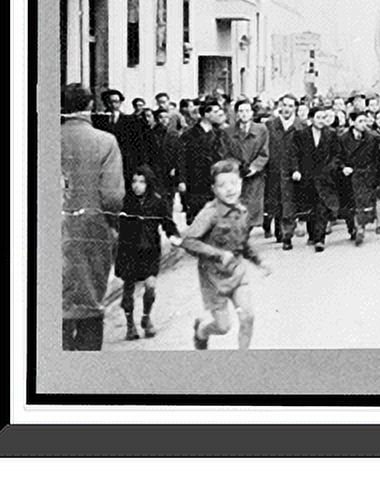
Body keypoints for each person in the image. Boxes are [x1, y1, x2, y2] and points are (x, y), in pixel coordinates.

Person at [61, 84, 125, 350]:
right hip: (91, 230)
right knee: (89, 303)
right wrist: (113, 227)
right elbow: (112, 197)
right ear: (89, 106)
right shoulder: (105, 141)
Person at [183, 159, 270, 351]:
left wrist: (259, 262)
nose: (229, 189)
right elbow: (188, 241)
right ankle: (201, 331)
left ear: (241, 183)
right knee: (223, 327)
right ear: (214, 189)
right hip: (213, 279)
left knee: (248, 316)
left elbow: (242, 243)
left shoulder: (242, 211)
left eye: (234, 183)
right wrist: (217, 253)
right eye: (222, 185)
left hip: (237, 273)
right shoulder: (210, 213)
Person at [116, 165, 181, 341]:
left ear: (148, 183)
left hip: (150, 250)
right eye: (134, 181)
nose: (137, 185)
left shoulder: (158, 202)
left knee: (150, 286)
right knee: (128, 288)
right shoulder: (125, 202)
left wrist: (174, 236)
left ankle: (146, 317)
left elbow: (167, 223)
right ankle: (130, 325)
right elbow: (115, 223)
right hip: (129, 251)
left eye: (142, 182)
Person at [291, 106, 341, 252]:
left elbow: (337, 154)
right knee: (311, 207)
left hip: (325, 177)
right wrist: (295, 170)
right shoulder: (301, 135)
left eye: (324, 118)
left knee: (322, 207)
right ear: (311, 119)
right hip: (307, 177)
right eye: (318, 117)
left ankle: (320, 239)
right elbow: (294, 154)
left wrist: (330, 167)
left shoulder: (331, 134)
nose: (321, 121)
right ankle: (312, 235)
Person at [264, 94, 306, 250]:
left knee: (289, 203)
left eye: (290, 106)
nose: (287, 109)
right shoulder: (270, 125)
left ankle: (287, 235)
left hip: (293, 171)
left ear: (295, 108)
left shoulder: (301, 126)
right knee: (276, 202)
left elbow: (305, 151)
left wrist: (300, 169)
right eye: (284, 105)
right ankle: (278, 230)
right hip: (274, 170)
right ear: (279, 106)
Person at [177, 99, 228, 222]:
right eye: (215, 111)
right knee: (197, 218)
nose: (219, 114)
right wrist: (181, 180)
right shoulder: (188, 135)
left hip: (214, 182)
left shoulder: (220, 134)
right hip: (194, 182)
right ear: (206, 114)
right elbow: (181, 159)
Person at [223, 99, 270, 230]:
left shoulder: (261, 130)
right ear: (237, 113)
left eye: (247, 110)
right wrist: (237, 165)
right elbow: (225, 152)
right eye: (241, 111)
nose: (244, 114)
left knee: (252, 208)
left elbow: (264, 152)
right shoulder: (228, 131)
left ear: (252, 113)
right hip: (236, 175)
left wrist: (254, 167)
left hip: (255, 175)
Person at [339, 111, 380, 245]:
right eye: (360, 121)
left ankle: (360, 228)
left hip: (366, 174)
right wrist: (343, 167)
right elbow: (337, 156)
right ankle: (353, 228)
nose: (364, 124)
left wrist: (375, 175)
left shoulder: (372, 138)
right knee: (351, 204)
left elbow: (377, 158)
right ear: (352, 122)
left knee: (363, 203)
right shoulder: (343, 139)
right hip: (349, 175)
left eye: (365, 121)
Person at [93, 88, 142, 191]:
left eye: (116, 101)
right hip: (105, 160)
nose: (113, 105)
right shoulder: (98, 120)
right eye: (109, 102)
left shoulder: (130, 121)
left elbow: (136, 144)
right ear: (105, 103)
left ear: (120, 102)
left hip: (125, 161)